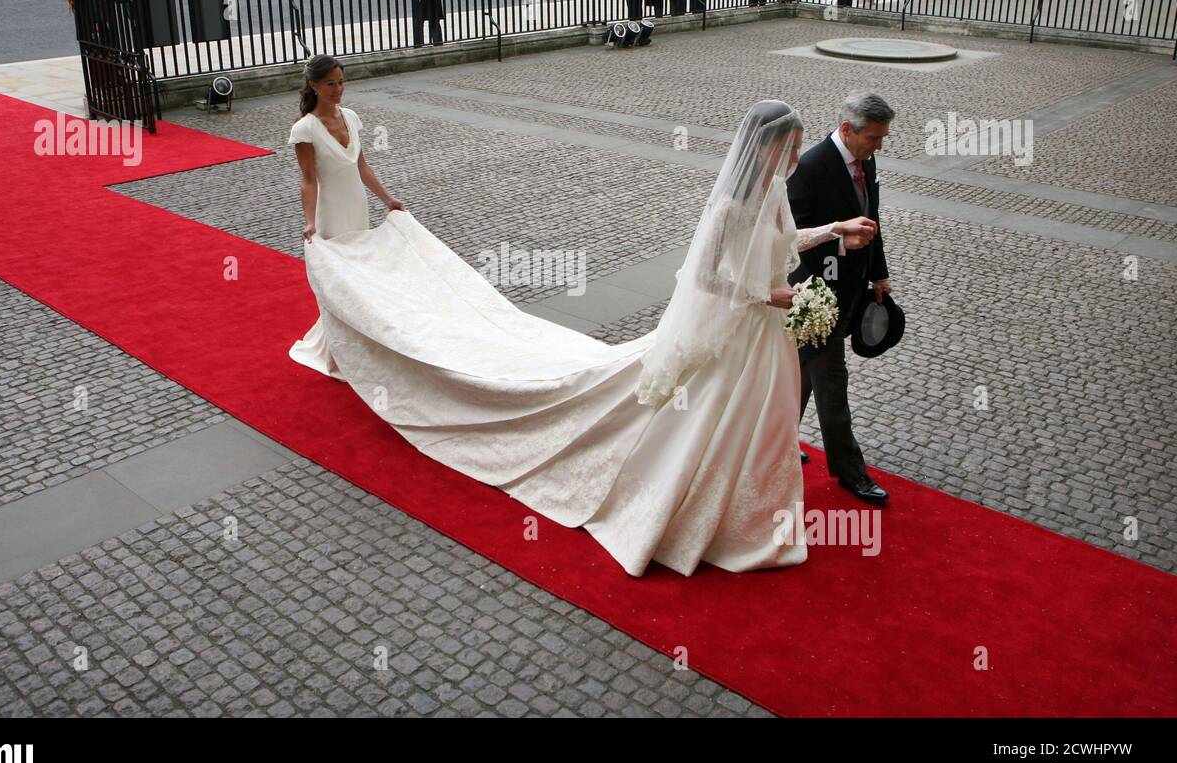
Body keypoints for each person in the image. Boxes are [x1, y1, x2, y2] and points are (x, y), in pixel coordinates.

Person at [290, 98, 875, 577]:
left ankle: (761, 513)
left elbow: (784, 244)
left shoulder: (774, 193)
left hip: (767, 334)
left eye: (798, 147)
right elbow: (705, 277)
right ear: (766, 147)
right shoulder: (728, 205)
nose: (797, 156)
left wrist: (834, 231)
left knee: (765, 424)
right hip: (743, 329)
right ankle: (715, 516)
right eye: (790, 147)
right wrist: (768, 297)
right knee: (717, 421)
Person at [786, 92, 895, 505]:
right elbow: (790, 239)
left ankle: (773, 445)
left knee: (798, 379)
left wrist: (879, 273)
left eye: (882, 139)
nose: (879, 146)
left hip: (852, 289)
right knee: (832, 381)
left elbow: (872, 221)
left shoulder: (866, 160)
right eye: (873, 138)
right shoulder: (809, 167)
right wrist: (841, 237)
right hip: (815, 298)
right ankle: (851, 472)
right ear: (847, 129)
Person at [288, 55, 406, 377]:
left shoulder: (351, 117)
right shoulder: (304, 129)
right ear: (314, 85)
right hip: (331, 211)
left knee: (359, 277)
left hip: (357, 207)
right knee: (337, 283)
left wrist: (388, 199)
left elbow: (362, 167)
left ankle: (361, 342)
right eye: (331, 84)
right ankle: (335, 352)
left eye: (341, 82)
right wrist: (310, 221)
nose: (338, 89)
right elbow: (308, 178)